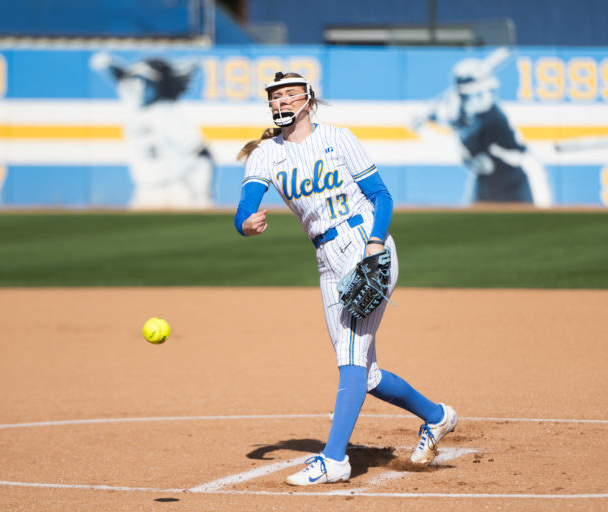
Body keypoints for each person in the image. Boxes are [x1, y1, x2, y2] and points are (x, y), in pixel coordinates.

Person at [234, 71, 457, 486]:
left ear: (308, 99)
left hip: (365, 245)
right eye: (275, 97)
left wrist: (375, 243)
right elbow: (245, 206)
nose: (281, 102)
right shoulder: (265, 154)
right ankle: (437, 416)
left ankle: (334, 459)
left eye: (289, 94)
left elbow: (382, 196)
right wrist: (245, 222)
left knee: (350, 357)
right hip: (326, 258)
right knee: (366, 374)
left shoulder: (338, 138)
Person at [416, 56, 552, 208]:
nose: (485, 96)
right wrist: (428, 119)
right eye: (474, 95)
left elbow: (461, 132)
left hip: (515, 177)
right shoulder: (467, 113)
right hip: (488, 178)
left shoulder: (493, 118)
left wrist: (430, 121)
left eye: (485, 92)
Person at [89, 52, 214, 209]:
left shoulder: (166, 113)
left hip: (175, 189)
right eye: (135, 81)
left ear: (157, 87)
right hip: (144, 190)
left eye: (146, 83)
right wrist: (111, 65)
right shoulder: (133, 107)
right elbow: (105, 66)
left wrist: (203, 195)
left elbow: (202, 154)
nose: (139, 87)